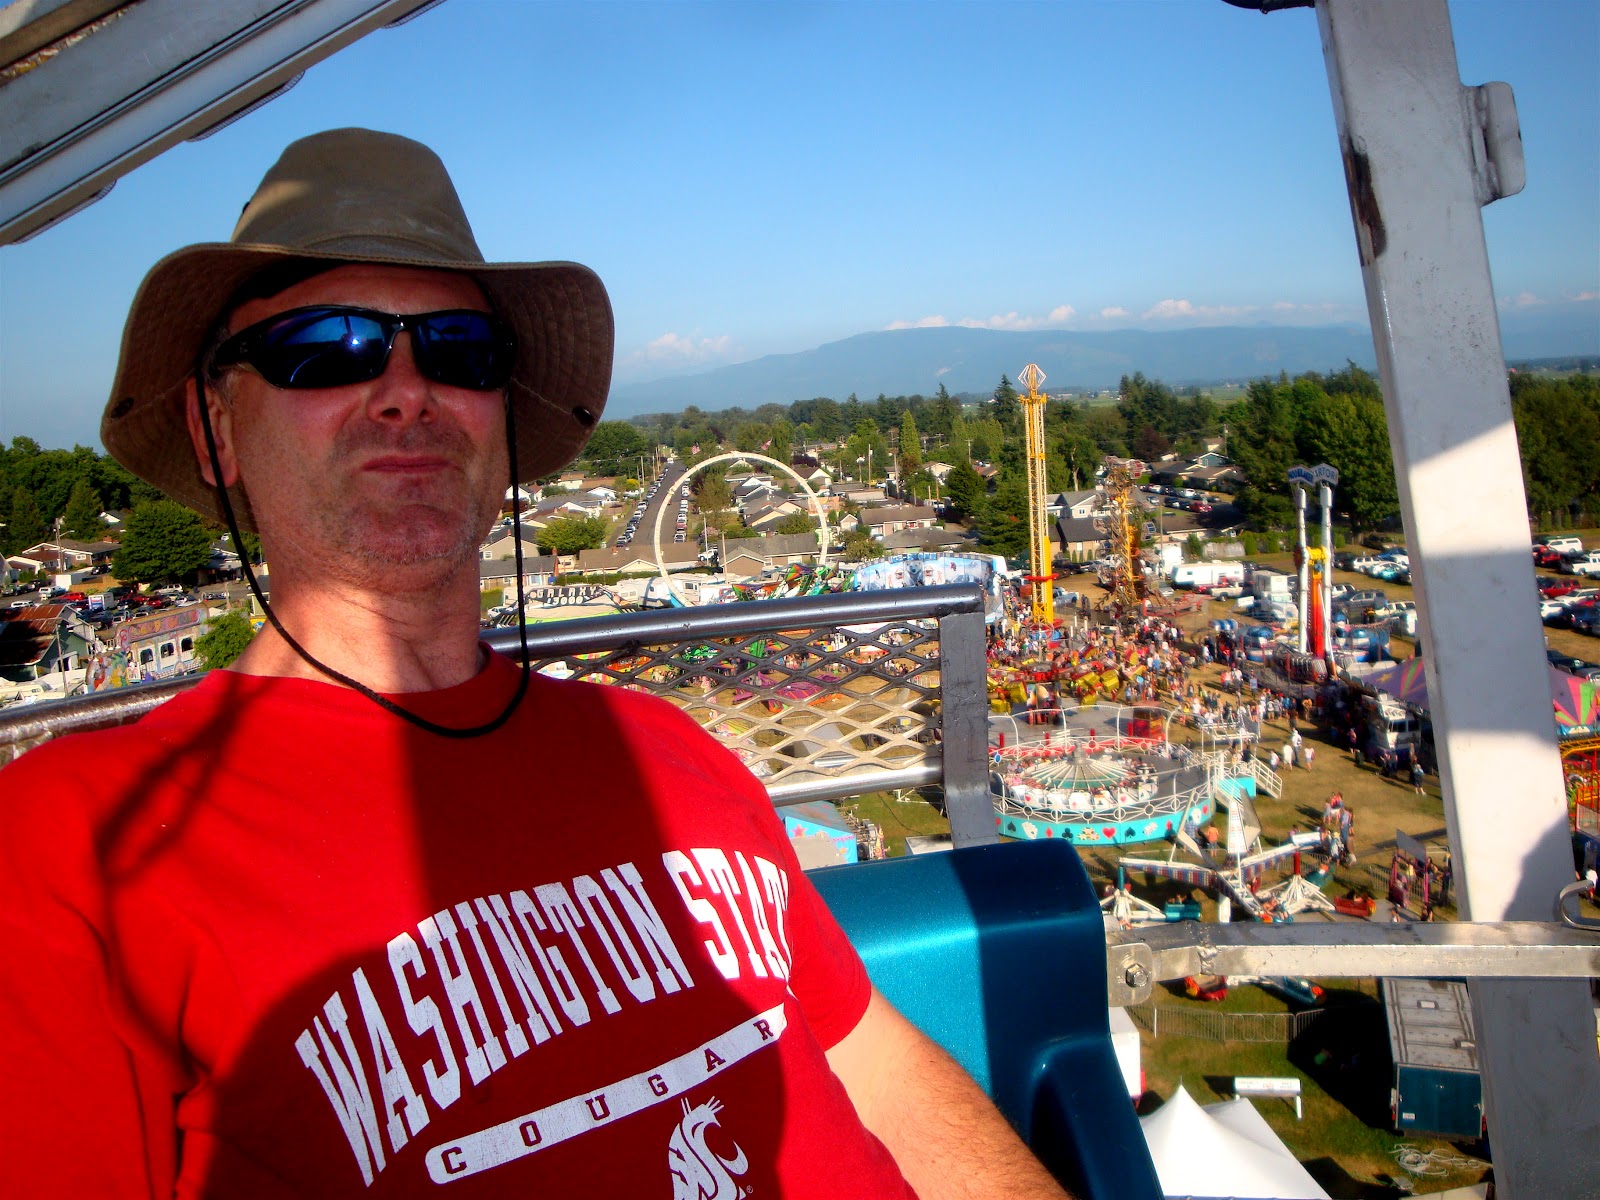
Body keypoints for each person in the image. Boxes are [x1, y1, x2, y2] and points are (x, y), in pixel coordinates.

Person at [0, 130, 1069, 1199]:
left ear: (501, 415)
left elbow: (866, 1064)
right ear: (214, 426)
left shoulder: (663, 745)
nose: (404, 390)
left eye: (461, 351)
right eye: (323, 347)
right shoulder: (74, 845)